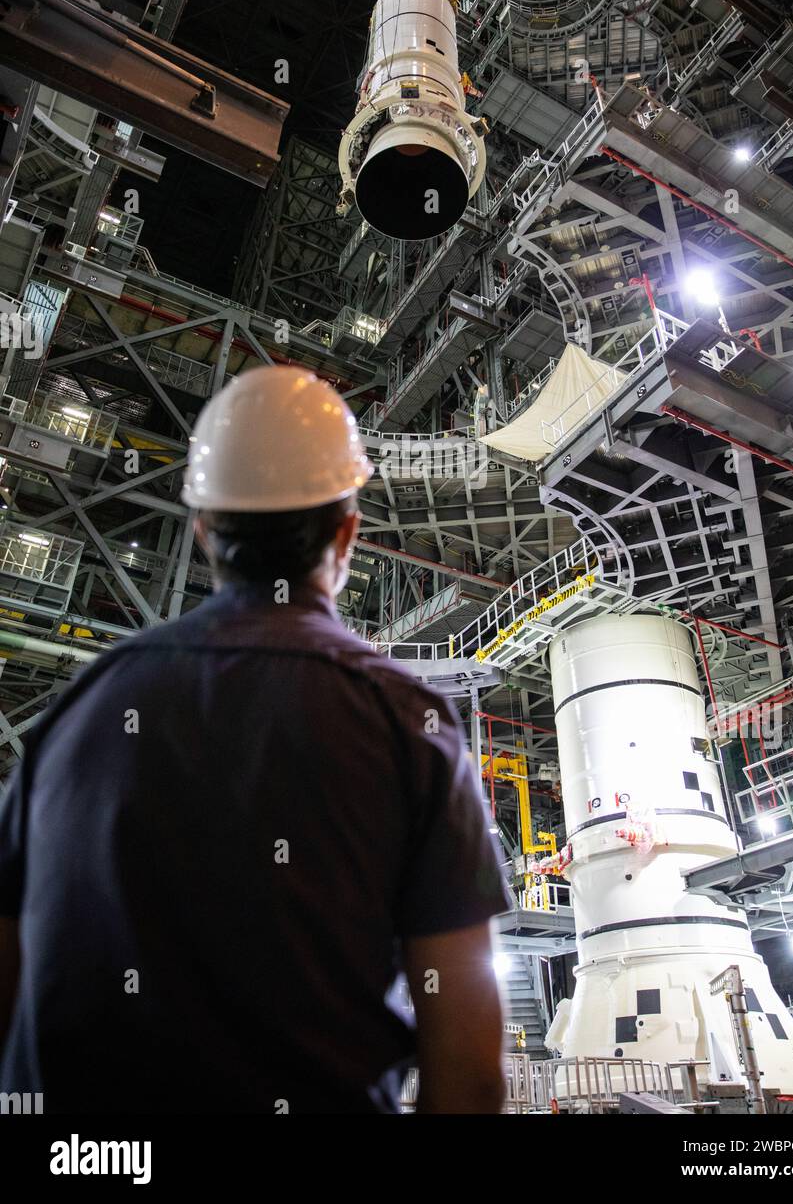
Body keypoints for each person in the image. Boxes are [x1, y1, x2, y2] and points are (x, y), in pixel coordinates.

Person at [0, 365, 511, 1113]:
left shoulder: (82, 706)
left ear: (204, 531)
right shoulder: (411, 725)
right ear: (347, 532)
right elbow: (467, 1067)